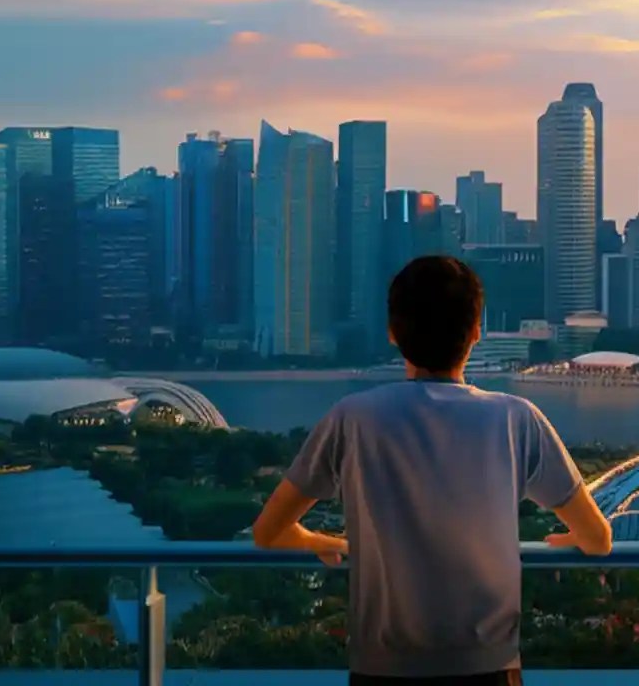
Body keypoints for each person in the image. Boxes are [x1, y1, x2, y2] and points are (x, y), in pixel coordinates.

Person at [253, 255, 612, 685]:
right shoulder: (516, 418)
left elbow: (269, 532)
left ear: (392, 333)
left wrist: (318, 540)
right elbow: (599, 539)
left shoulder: (354, 418)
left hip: (383, 670)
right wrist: (572, 539)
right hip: (490, 667)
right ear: (476, 332)